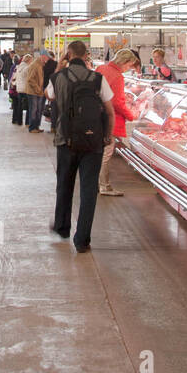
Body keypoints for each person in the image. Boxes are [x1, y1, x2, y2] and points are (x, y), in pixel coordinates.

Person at [47, 40, 115, 253]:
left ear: (68, 54)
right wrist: (108, 136)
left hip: (65, 140)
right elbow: (110, 111)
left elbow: (49, 95)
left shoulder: (58, 77)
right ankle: (82, 240)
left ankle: (62, 227)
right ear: (86, 56)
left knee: (64, 185)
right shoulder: (98, 79)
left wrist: (59, 66)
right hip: (92, 142)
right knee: (88, 190)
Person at [96, 48, 139, 196]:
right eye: (129, 66)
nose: (128, 69)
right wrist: (131, 115)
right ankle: (104, 186)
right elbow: (117, 103)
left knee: (98, 152)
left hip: (95, 115)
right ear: (124, 62)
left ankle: (95, 183)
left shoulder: (101, 68)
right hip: (109, 119)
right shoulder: (118, 76)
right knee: (106, 153)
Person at [26, 53, 45, 132]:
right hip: (33, 92)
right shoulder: (35, 65)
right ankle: (32, 127)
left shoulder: (39, 65)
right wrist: (37, 88)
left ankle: (36, 127)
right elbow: (30, 79)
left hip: (38, 92)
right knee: (34, 110)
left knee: (38, 110)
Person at [13, 52, 32, 125]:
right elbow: (29, 77)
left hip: (19, 88)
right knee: (28, 106)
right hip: (25, 89)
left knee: (20, 106)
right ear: (28, 60)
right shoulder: (27, 67)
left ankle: (19, 121)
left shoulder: (19, 67)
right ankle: (27, 122)